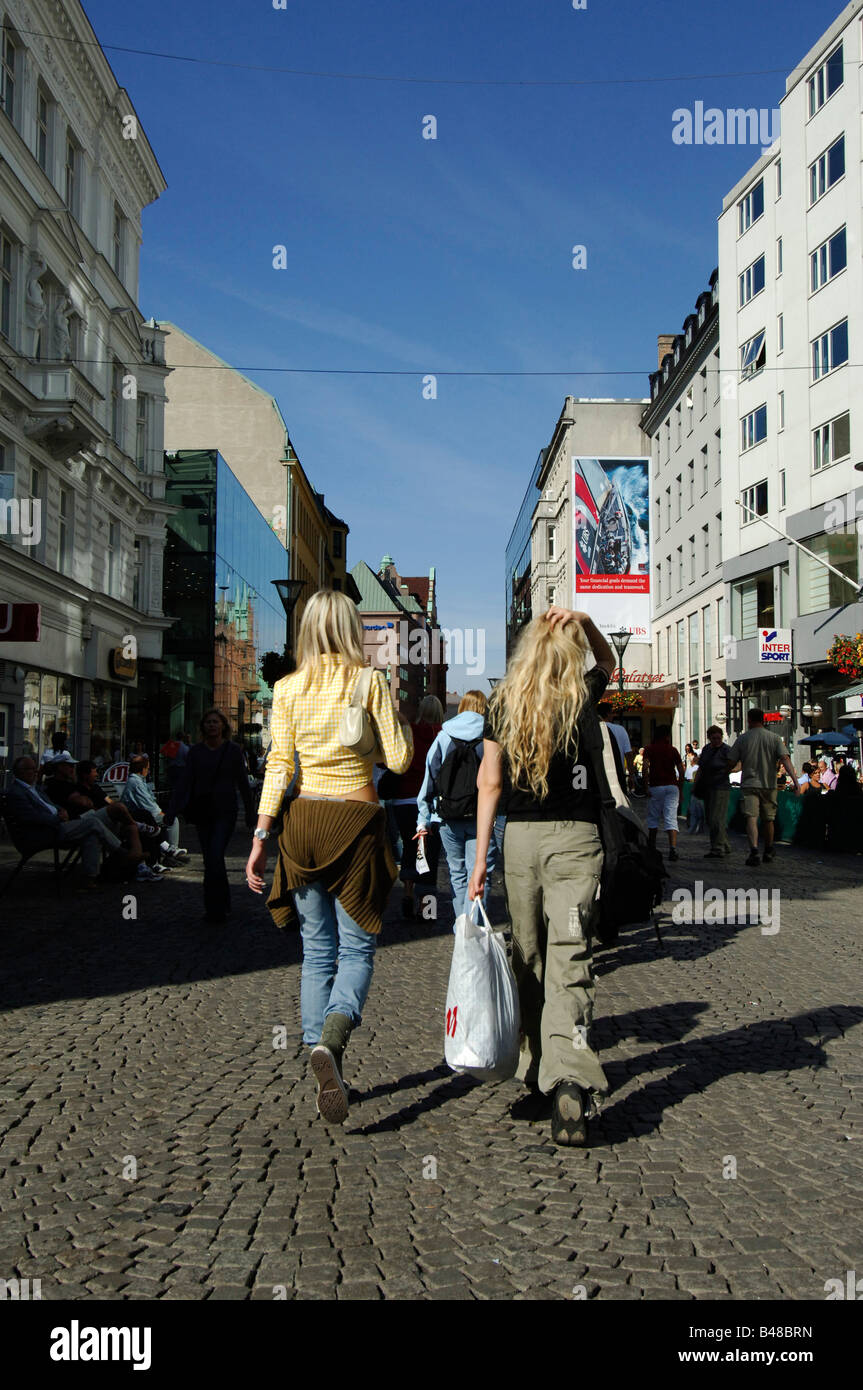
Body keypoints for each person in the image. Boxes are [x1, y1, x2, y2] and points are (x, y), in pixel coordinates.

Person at [245, 589, 413, 1127]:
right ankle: (333, 1044)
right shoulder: (370, 682)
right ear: (350, 629)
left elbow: (278, 766)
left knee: (316, 952)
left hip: (302, 822)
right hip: (355, 821)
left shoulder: (286, 688)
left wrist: (259, 837)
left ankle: (321, 1052)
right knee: (358, 947)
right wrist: (394, 724)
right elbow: (402, 759)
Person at [467, 605, 616, 1148]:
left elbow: (489, 782)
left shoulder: (505, 702)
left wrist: (481, 857)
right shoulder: (582, 695)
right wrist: (587, 621)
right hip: (577, 841)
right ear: (569, 652)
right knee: (570, 958)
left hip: (522, 843)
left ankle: (534, 1071)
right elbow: (609, 660)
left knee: (527, 954)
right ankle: (570, 1077)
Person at [415, 690, 498, 919]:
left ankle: (462, 930)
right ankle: (475, 929)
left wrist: (423, 819)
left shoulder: (444, 735)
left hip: (448, 817)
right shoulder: (491, 735)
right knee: (481, 875)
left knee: (457, 874)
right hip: (483, 816)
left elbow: (429, 777)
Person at [169, 709, 255, 924]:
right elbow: (185, 782)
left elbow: (243, 784)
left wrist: (251, 814)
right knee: (211, 860)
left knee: (215, 855)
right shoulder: (195, 752)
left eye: (215, 722)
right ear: (203, 726)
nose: (212, 725)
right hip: (203, 811)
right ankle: (219, 903)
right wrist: (171, 811)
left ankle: (215, 909)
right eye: (208, 722)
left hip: (225, 812)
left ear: (223, 726)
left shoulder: (233, 751)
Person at [6, 755, 124, 887]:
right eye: (31, 769)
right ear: (20, 772)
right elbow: (32, 817)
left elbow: (50, 805)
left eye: (35, 768)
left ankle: (90, 878)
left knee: (92, 833)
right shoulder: (17, 792)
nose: (36, 772)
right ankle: (121, 853)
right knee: (93, 823)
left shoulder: (34, 788)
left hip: (58, 825)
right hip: (47, 832)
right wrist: (58, 818)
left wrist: (62, 811)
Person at [389, 695, 443, 919]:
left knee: (410, 850)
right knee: (428, 855)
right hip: (431, 805)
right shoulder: (443, 735)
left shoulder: (408, 731)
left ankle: (408, 893)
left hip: (403, 801)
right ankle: (426, 909)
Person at [728, 708, 799, 866]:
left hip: (749, 784)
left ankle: (754, 850)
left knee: (751, 818)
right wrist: (795, 780)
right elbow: (786, 759)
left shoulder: (743, 739)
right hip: (769, 784)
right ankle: (768, 849)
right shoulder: (774, 738)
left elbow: (731, 762)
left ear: (749, 720)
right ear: (764, 720)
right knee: (769, 819)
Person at [121, 755, 185, 864]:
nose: (148, 770)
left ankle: (168, 851)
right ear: (142, 769)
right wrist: (161, 813)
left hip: (141, 814)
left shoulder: (138, 780)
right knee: (171, 820)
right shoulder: (136, 782)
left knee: (167, 819)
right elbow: (147, 805)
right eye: (147, 768)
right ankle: (171, 850)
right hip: (138, 817)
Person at [642, 726, 685, 862]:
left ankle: (652, 847)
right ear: (667, 736)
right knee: (671, 818)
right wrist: (680, 786)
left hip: (656, 786)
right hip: (672, 786)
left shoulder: (649, 749)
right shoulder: (672, 750)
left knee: (653, 818)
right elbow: (681, 770)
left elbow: (645, 768)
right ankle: (672, 849)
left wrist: (645, 786)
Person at [694, 726, 733, 857]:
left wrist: (727, 771)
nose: (716, 740)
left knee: (717, 818)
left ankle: (717, 847)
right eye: (714, 738)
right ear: (709, 738)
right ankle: (724, 843)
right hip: (707, 786)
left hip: (721, 787)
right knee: (710, 818)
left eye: (718, 738)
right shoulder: (706, 749)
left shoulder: (726, 750)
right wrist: (696, 784)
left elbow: (738, 764)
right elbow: (701, 768)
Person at [596, 702, 633, 793]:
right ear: (608, 713)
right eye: (612, 712)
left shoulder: (594, 729)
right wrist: (631, 775)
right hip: (617, 773)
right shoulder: (620, 729)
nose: (613, 715)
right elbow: (628, 754)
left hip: (600, 774)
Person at [684, 748, 706, 833]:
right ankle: (695, 828)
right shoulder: (697, 770)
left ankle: (697, 828)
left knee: (697, 812)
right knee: (695, 811)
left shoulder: (700, 769)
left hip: (700, 792)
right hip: (698, 791)